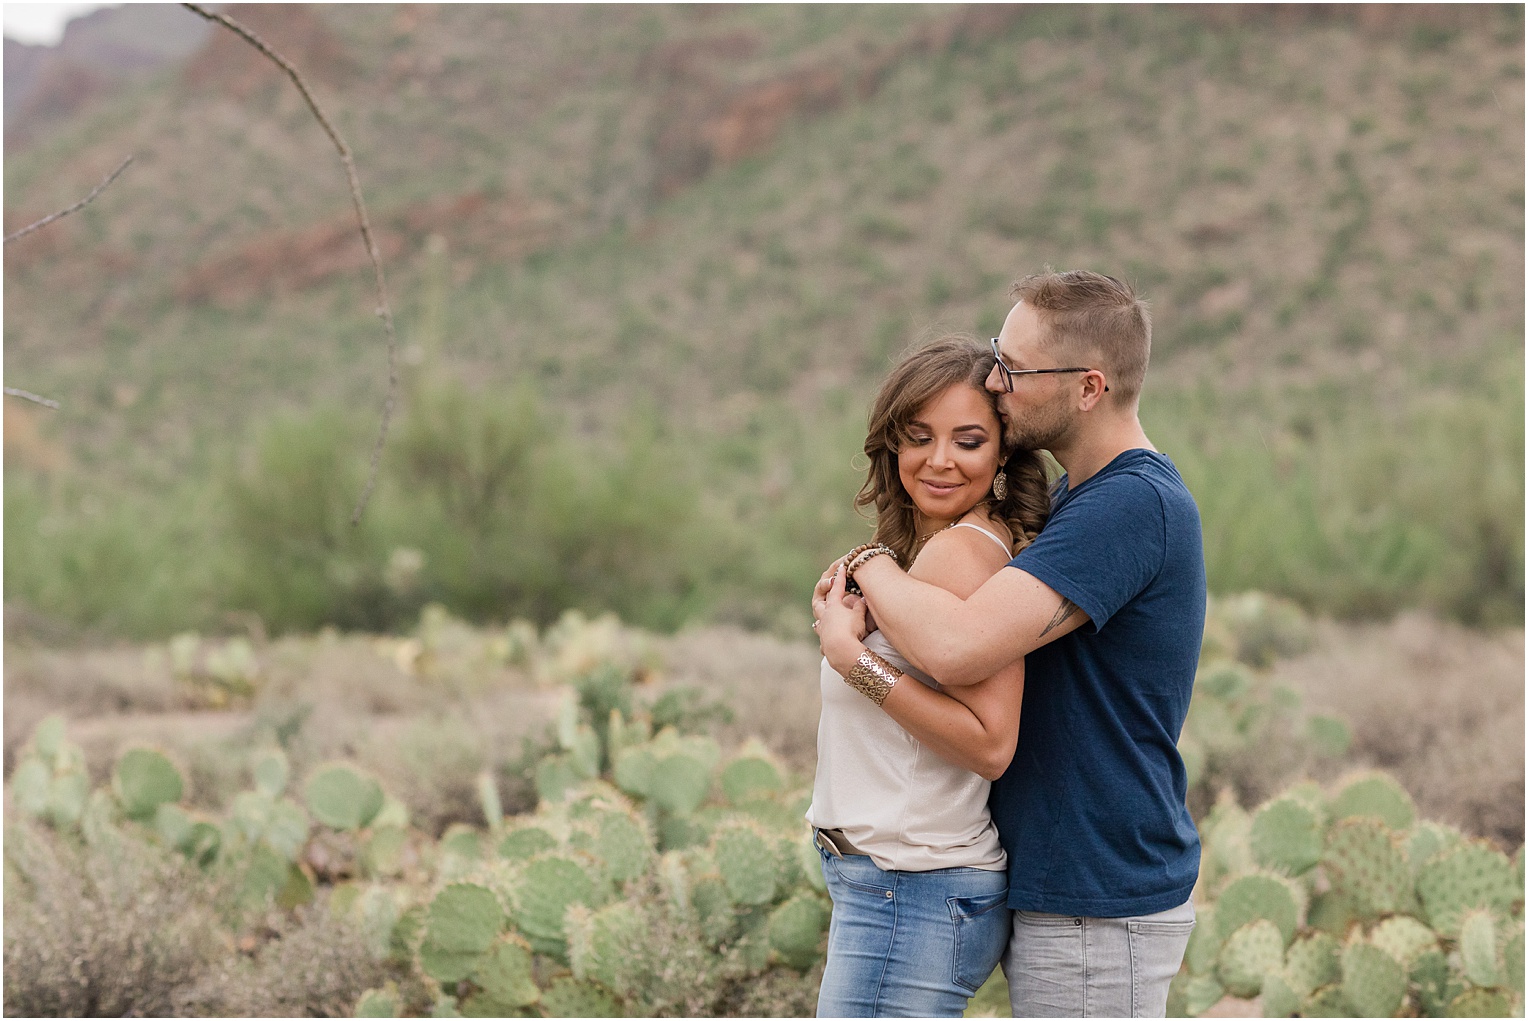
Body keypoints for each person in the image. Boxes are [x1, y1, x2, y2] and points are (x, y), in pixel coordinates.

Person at [815, 270, 1206, 1018]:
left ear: (1088, 387)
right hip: (1065, 881)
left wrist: (868, 573)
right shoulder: (1079, 500)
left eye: (1015, 368)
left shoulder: (1130, 505)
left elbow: (960, 649)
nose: (996, 379)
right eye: (999, 353)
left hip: (1097, 892)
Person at [806, 335, 1052, 1018]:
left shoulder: (963, 555)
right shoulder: (934, 550)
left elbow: (990, 743)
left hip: (909, 889)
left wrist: (854, 661)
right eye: (918, 436)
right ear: (892, 443)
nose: (939, 460)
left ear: (1003, 451)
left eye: (968, 440)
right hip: (900, 887)